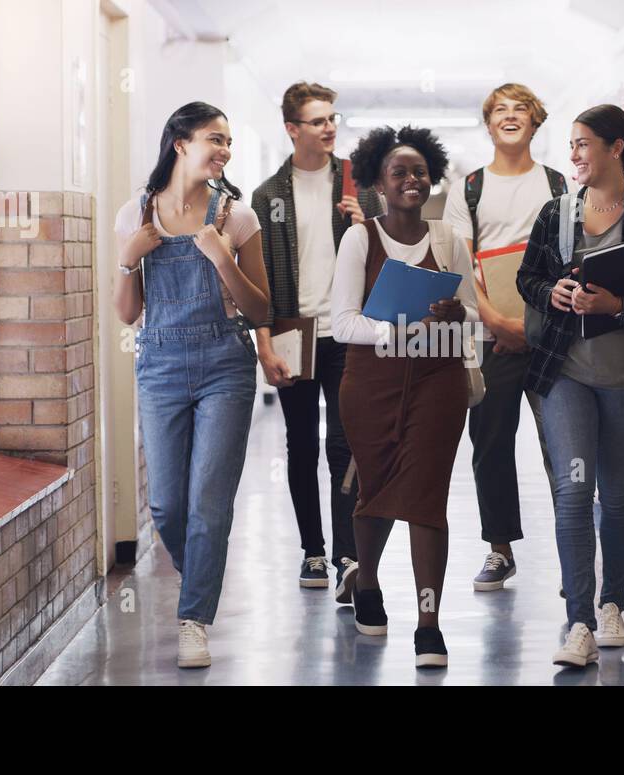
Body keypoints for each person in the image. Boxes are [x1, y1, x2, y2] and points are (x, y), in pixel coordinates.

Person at [516, 104, 624, 668]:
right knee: (572, 491)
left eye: (585, 143)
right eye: (571, 144)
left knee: (615, 494)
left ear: (617, 149)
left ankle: (612, 603)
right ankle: (579, 622)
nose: (574, 154)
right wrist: (553, 294)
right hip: (564, 374)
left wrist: (619, 307)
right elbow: (527, 277)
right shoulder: (555, 214)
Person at [113, 102, 270, 669]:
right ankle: (200, 572)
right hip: (158, 364)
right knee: (167, 505)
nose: (224, 150)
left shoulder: (238, 216)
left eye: (228, 141)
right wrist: (129, 262)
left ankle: (194, 619)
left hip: (225, 362)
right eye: (214, 138)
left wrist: (223, 258)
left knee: (208, 502)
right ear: (180, 142)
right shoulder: (136, 212)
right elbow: (127, 315)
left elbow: (260, 307)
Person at [331, 125, 479, 668]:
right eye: (400, 173)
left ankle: (429, 623)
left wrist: (459, 316)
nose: (412, 180)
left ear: (432, 177)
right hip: (371, 384)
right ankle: (366, 581)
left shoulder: (449, 241)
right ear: (378, 183)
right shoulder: (359, 238)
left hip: (438, 382)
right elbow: (341, 323)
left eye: (419, 171)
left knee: (425, 495)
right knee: (375, 488)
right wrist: (394, 330)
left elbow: (475, 321)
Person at [250, 83, 383, 601]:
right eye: (317, 121)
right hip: (292, 330)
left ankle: (349, 557)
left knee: (345, 445)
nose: (329, 128)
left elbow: (389, 257)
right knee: (300, 445)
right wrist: (263, 342)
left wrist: (365, 226)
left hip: (347, 330)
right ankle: (313, 550)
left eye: (333, 118)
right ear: (292, 128)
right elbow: (257, 281)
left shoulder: (361, 185)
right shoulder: (267, 196)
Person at [441, 83, 566, 592]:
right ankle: (499, 549)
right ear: (488, 124)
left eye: (521, 110)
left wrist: (537, 324)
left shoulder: (560, 185)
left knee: (563, 444)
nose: (510, 117)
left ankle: (572, 551)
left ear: (536, 123)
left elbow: (569, 259)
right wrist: (495, 322)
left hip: (553, 334)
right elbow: (460, 263)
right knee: (490, 442)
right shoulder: (467, 189)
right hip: (491, 336)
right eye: (500, 111)